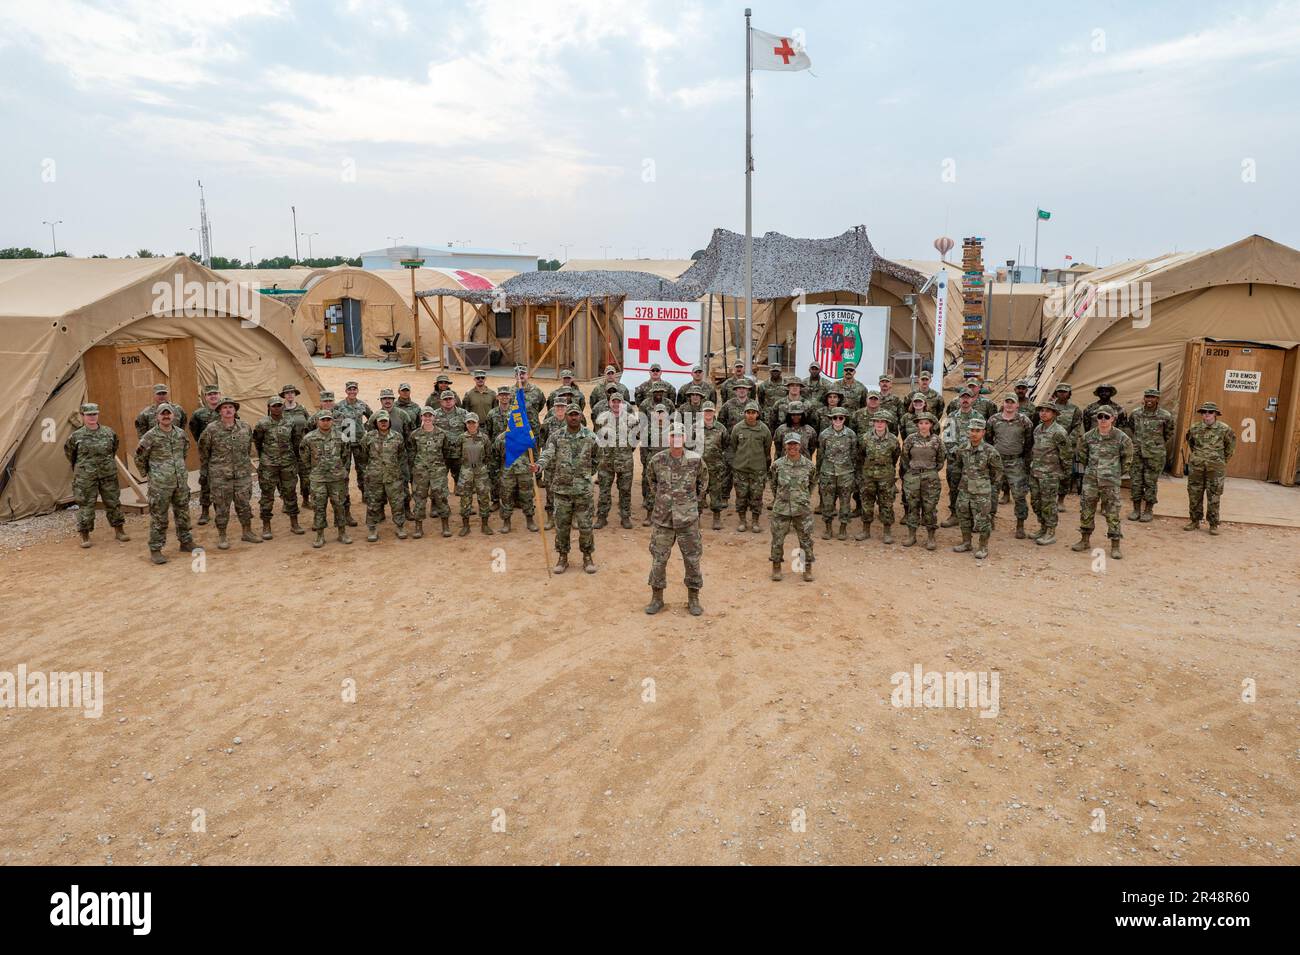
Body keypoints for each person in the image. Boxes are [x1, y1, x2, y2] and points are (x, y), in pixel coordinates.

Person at [645, 422, 709, 616]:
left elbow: (703, 482)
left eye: (680, 436)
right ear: (668, 439)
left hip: (688, 519)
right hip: (663, 519)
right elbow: (652, 482)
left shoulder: (695, 460)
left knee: (692, 559)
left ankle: (693, 598)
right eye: (673, 436)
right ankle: (657, 598)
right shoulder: (657, 460)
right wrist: (664, 499)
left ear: (685, 439)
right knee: (659, 559)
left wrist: (692, 503)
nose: (676, 440)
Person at [533, 405, 598, 574]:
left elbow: (598, 457)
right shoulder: (556, 436)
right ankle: (562, 557)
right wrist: (539, 466)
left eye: (576, 415)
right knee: (562, 527)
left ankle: (587, 556)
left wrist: (587, 474)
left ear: (581, 416)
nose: (573, 418)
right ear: (566, 417)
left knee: (585, 527)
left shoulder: (590, 437)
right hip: (562, 490)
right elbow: (548, 453)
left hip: (583, 490)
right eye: (570, 415)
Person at [64, 402, 129, 548]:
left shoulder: (108, 433)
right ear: (82, 416)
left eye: (94, 414)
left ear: (98, 414)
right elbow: (70, 454)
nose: (92, 417)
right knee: (86, 505)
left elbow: (113, 449)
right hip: (86, 477)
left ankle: (119, 530)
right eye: (89, 415)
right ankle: (85, 535)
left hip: (108, 475)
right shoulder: (76, 436)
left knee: (113, 502)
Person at [198, 395, 259, 550]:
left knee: (244, 505)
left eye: (230, 407)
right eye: (224, 408)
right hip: (220, 476)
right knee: (222, 507)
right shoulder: (211, 429)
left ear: (235, 410)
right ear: (219, 411)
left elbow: (247, 449)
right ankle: (223, 535)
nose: (228, 410)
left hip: (242, 475)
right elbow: (204, 450)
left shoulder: (245, 427)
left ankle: (247, 532)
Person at [134, 404, 193, 564]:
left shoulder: (180, 434)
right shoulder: (150, 436)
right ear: (157, 417)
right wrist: (150, 474)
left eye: (169, 414)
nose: (166, 416)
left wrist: (177, 470)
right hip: (160, 485)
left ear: (173, 416)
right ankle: (156, 549)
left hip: (180, 482)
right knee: (159, 517)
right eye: (163, 414)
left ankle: (186, 542)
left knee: (183, 513)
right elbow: (139, 457)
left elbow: (184, 452)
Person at [1072, 405, 1134, 559]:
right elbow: (1082, 456)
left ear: (1113, 418)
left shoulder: (1121, 438)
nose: (1103, 420)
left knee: (1112, 512)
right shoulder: (1088, 437)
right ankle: (1085, 540)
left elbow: (1128, 458)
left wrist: (1115, 473)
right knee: (1087, 509)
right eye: (1100, 417)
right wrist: (1093, 471)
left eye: (1107, 417)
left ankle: (1115, 545)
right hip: (1091, 480)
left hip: (1111, 481)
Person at [950, 417, 1002, 559]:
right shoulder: (962, 448)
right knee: (963, 517)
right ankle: (966, 543)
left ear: (983, 432)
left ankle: (983, 547)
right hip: (964, 489)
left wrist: (986, 485)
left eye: (977, 431)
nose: (974, 433)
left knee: (983, 520)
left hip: (982, 492)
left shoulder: (990, 451)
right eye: (972, 430)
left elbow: (997, 472)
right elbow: (958, 466)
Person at [253, 396, 305, 539]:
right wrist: (265, 457)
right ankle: (266, 526)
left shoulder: (290, 422)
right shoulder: (262, 423)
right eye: (274, 406)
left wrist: (295, 459)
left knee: (290, 493)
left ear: (282, 406)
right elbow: (258, 442)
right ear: (269, 408)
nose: (277, 408)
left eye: (279, 405)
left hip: (287, 463)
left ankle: (294, 523)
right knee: (267, 495)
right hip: (269, 465)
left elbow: (295, 441)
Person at [299, 409, 353, 547]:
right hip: (318, 479)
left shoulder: (341, 437)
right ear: (317, 421)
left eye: (328, 419)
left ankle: (342, 533)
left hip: (336, 479)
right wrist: (315, 470)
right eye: (323, 419)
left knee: (339, 505)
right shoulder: (309, 438)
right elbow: (304, 458)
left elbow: (346, 456)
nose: (326, 422)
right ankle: (320, 535)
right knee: (319, 506)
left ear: (332, 421)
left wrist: (339, 470)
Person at [768, 432, 817, 582]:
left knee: (805, 540)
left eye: (795, 444)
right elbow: (773, 483)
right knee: (777, 539)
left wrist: (802, 498)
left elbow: (812, 483)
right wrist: (781, 497)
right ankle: (776, 568)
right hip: (781, 508)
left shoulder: (809, 465)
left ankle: (806, 568)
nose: (792, 447)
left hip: (802, 509)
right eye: (789, 444)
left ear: (800, 445)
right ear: (785, 446)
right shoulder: (778, 465)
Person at [984, 394, 1034, 538]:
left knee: (1019, 495)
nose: (1010, 405)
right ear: (1003, 404)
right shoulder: (993, 420)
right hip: (997, 462)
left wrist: (1024, 461)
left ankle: (1020, 525)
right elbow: (988, 440)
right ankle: (990, 520)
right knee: (992, 493)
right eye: (1007, 402)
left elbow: (1029, 442)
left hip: (1016, 462)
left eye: (1013, 402)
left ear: (1017, 405)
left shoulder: (1024, 421)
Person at [1184, 401, 1236, 535]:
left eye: (1210, 412)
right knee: (1194, 494)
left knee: (1214, 495)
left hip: (1215, 468)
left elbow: (1230, 448)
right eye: (1204, 412)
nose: (1207, 415)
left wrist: (1219, 460)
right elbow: (1191, 443)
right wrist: (1200, 458)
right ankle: (1194, 521)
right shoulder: (1194, 428)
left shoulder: (1225, 429)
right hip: (1197, 467)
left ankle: (1213, 524)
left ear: (1216, 414)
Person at [1126, 388, 1174, 522]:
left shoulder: (1165, 416)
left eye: (1153, 397)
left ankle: (1148, 510)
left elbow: (1168, 433)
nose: (1149, 400)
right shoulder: (1136, 414)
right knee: (1135, 482)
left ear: (1158, 399)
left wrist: (1155, 444)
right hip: (1137, 453)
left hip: (1155, 455)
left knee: (1150, 483)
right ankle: (1136, 509)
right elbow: (1132, 428)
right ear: (1144, 398)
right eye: (1147, 396)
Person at [1028, 403, 1072, 545]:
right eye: (1041, 410)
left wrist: (1065, 473)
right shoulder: (1038, 429)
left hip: (1050, 474)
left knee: (1048, 504)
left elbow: (1066, 455)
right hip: (1036, 472)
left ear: (1054, 414)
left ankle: (1050, 531)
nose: (1043, 413)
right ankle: (1043, 527)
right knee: (1036, 502)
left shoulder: (1059, 432)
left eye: (1047, 411)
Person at [361, 410, 408, 541]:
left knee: (397, 502)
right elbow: (363, 456)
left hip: (393, 477)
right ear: (376, 423)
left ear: (389, 422)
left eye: (385, 421)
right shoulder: (368, 437)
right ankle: (372, 529)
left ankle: (400, 526)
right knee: (373, 503)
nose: (383, 423)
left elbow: (401, 455)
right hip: (374, 477)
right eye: (380, 421)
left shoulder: (397, 437)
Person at [900, 412, 943, 550]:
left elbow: (941, 460)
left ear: (931, 424)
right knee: (912, 507)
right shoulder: (910, 439)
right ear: (917, 425)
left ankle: (931, 537)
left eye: (926, 423)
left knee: (929, 508)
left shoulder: (937, 440)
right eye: (920, 423)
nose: (923, 426)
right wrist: (913, 471)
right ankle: (912, 536)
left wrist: (930, 471)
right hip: (913, 477)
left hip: (930, 478)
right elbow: (904, 458)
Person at [408, 407, 453, 539]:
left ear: (434, 417)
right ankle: (418, 527)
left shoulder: (442, 434)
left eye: (430, 416)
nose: (427, 418)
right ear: (421, 417)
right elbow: (411, 453)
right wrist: (416, 467)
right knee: (419, 498)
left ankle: (445, 526)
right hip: (420, 472)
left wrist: (440, 466)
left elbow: (446, 452)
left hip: (437, 472)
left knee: (441, 497)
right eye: (425, 416)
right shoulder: (415, 434)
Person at [857, 412, 900, 543]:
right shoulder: (865, 438)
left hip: (886, 477)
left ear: (886, 423)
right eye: (877, 421)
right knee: (867, 503)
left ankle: (887, 532)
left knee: (886, 504)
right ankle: (865, 530)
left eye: (882, 421)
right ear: (873, 422)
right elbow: (861, 455)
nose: (879, 424)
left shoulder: (893, 440)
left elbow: (895, 457)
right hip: (868, 476)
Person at [594, 394, 636, 529]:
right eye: (613, 401)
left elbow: (636, 439)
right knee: (604, 490)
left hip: (625, 462)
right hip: (606, 462)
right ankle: (602, 517)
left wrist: (626, 451)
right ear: (609, 402)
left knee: (625, 491)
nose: (616, 404)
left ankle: (625, 517)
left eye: (619, 402)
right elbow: (597, 437)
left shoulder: (631, 420)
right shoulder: (601, 419)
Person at [730, 400, 772, 533]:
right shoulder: (738, 428)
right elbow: (734, 445)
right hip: (740, 469)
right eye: (748, 412)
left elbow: (767, 448)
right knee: (741, 496)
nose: (750, 415)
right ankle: (742, 520)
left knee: (756, 496)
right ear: (744, 414)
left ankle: (755, 521)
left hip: (758, 469)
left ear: (757, 414)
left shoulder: (763, 429)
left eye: (753, 413)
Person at [815, 407, 856, 540]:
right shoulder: (824, 435)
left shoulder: (851, 434)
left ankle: (843, 529)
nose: (837, 420)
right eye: (835, 418)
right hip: (828, 473)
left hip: (845, 474)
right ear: (831, 419)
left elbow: (854, 454)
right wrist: (819, 472)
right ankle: (828, 529)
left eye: (841, 418)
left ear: (844, 419)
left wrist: (851, 471)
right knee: (827, 503)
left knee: (845, 503)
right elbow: (820, 454)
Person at [941, 390, 980, 527]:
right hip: (955, 461)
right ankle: (954, 515)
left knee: (973, 489)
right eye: (963, 397)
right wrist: (958, 453)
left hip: (972, 460)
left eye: (968, 397)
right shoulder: (951, 417)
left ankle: (972, 517)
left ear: (972, 399)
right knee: (954, 487)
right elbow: (947, 438)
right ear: (959, 399)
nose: (965, 400)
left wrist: (969, 453)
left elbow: (981, 438)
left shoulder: (978, 417)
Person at [495, 421, 539, 534]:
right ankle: (506, 522)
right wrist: (496, 473)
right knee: (506, 497)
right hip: (507, 473)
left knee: (527, 496)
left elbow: (534, 454)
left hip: (525, 472)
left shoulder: (527, 437)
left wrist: (536, 469)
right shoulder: (501, 438)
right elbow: (496, 457)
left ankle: (530, 521)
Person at [334, 380, 371, 508]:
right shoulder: (339, 406)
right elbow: (332, 421)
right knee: (344, 470)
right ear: (346, 391)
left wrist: (364, 428)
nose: (352, 391)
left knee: (362, 470)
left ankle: (365, 494)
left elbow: (371, 418)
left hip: (360, 443)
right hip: (346, 443)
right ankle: (344, 497)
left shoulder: (362, 404)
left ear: (357, 390)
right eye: (350, 389)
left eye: (354, 389)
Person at [190, 385, 223, 525]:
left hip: (224, 452)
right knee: (205, 480)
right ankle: (205, 511)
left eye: (215, 393)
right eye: (210, 394)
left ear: (219, 394)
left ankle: (221, 511)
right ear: (205, 397)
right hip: (208, 454)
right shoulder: (199, 414)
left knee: (224, 481)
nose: (213, 396)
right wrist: (203, 445)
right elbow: (195, 431)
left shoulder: (226, 409)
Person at [458, 413, 494, 536]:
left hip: (481, 472)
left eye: (474, 422)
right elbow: (457, 455)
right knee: (465, 499)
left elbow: (489, 455)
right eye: (469, 423)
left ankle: (485, 524)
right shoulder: (461, 438)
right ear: (466, 424)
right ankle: (465, 525)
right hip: (466, 472)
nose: (471, 425)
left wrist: (484, 468)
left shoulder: (484, 438)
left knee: (484, 498)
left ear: (478, 423)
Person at [698, 400, 731, 530]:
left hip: (716, 467)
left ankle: (716, 519)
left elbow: (726, 445)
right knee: (699, 493)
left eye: (710, 411)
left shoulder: (721, 428)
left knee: (716, 493)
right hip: (699, 468)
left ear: (714, 412)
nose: (708, 414)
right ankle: (697, 518)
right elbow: (688, 446)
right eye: (705, 411)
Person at [638, 403, 672, 525]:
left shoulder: (672, 429)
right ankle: (649, 515)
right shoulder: (648, 429)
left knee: (668, 489)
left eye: (662, 412)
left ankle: (667, 516)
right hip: (652, 461)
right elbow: (644, 447)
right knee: (650, 488)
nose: (660, 415)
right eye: (657, 413)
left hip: (668, 462)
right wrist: (647, 461)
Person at [278, 383, 311, 508]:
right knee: (287, 477)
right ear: (284, 396)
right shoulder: (279, 410)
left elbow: (309, 425)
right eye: (287, 393)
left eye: (292, 392)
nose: (290, 395)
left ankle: (306, 500)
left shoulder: (301, 408)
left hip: (302, 448)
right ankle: (288, 503)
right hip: (287, 449)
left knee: (305, 475)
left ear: (295, 394)